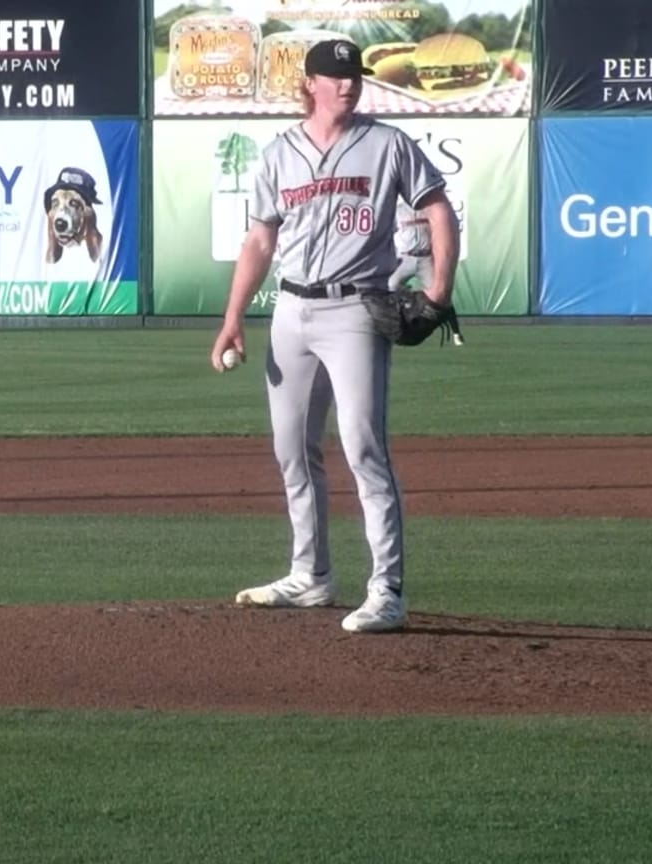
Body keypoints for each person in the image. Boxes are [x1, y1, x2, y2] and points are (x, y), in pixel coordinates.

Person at [209, 38, 461, 633]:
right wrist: (231, 320)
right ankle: (310, 575)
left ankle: (388, 590)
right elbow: (259, 241)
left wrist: (439, 291)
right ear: (311, 82)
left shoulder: (388, 144)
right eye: (336, 75)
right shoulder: (279, 154)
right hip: (291, 309)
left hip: (356, 310)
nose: (348, 84)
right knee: (291, 448)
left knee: (362, 447)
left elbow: (440, 210)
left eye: (354, 76)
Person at [389, 200, 463, 346]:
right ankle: (388, 328)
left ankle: (456, 332)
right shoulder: (398, 211)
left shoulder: (427, 209)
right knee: (388, 287)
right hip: (405, 257)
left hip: (425, 259)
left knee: (442, 295)